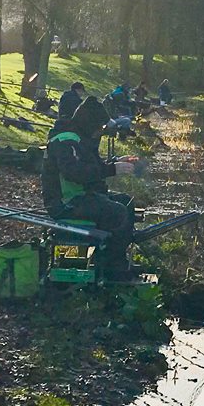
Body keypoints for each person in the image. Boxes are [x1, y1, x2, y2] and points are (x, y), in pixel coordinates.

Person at [43, 96, 135, 276]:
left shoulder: (79, 138)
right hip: (65, 202)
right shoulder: (66, 140)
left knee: (126, 202)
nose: (101, 131)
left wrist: (114, 163)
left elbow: (91, 167)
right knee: (117, 212)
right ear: (89, 123)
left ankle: (116, 259)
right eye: (100, 127)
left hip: (80, 196)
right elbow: (75, 173)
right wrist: (112, 170)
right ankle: (111, 267)